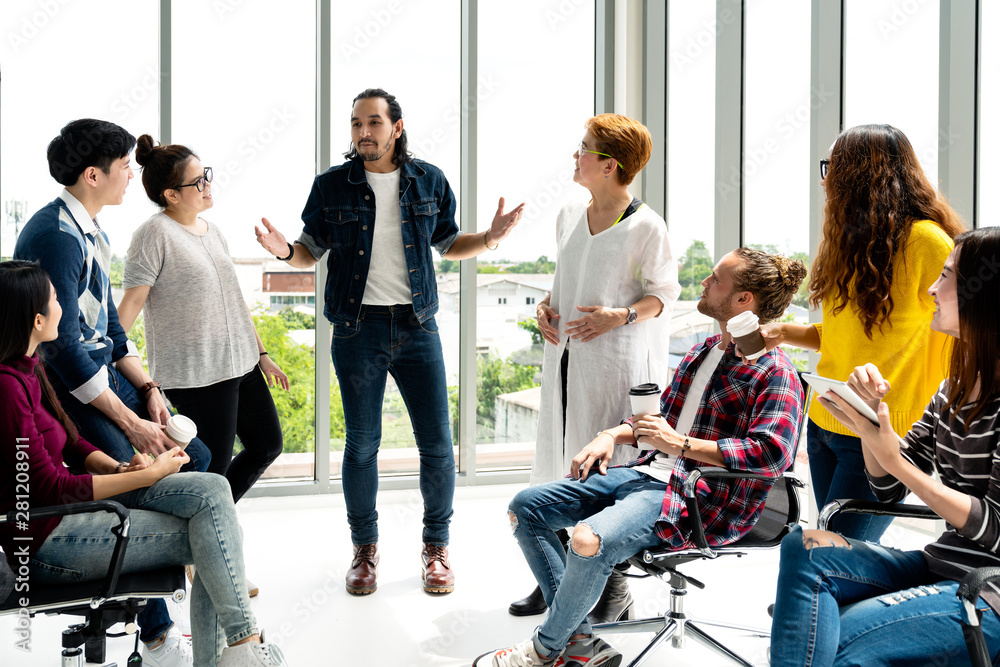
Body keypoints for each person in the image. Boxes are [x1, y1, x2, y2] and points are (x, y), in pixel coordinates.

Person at [475, 247, 806, 667]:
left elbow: (771, 454)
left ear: (744, 300)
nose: (704, 281)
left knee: (586, 539)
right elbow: (660, 421)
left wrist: (678, 446)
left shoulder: (776, 372)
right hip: (650, 474)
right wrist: (612, 434)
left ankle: (544, 650)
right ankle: (578, 641)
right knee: (526, 508)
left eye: (717, 279)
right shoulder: (703, 352)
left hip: (696, 495)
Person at [253, 88, 524, 596]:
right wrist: (283, 250)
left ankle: (436, 548)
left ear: (397, 127)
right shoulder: (331, 186)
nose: (362, 133)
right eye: (356, 124)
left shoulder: (429, 180)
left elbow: (448, 243)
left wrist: (489, 238)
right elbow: (309, 250)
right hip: (357, 329)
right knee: (361, 446)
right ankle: (364, 549)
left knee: (438, 446)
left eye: (373, 123)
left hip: (418, 325)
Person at [0, 260, 289, 667]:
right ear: (35, 319)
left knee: (215, 491)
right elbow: (49, 489)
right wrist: (151, 474)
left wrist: (121, 469)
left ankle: (239, 648)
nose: (63, 308)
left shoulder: (31, 368)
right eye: (55, 300)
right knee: (214, 535)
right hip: (48, 543)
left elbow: (75, 445)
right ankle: (239, 646)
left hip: (65, 517)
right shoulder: (6, 388)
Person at [13, 119, 212, 665]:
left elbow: (111, 332)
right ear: (93, 174)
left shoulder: (91, 230)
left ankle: (180, 578)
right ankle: (155, 630)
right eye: (124, 165)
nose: (132, 173)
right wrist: (129, 421)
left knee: (196, 456)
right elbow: (64, 351)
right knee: (138, 475)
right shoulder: (56, 237)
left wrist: (146, 388)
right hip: (74, 390)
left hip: (108, 374)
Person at [769, 226, 1000, 665]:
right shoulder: (953, 388)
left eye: (947, 276)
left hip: (987, 588)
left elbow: (995, 527)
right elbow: (889, 489)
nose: (932, 288)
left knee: (837, 644)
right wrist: (870, 420)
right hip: (939, 565)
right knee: (803, 546)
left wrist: (893, 458)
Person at [756, 124, 964, 542]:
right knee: (829, 547)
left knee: (833, 554)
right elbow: (847, 336)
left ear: (859, 174)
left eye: (832, 166)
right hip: (825, 422)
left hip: (883, 431)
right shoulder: (853, 243)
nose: (823, 177)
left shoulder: (927, 242)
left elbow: (966, 327)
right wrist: (783, 332)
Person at [510, 113, 680, 621]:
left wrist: (619, 316)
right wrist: (545, 305)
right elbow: (567, 276)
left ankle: (609, 587)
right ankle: (554, 576)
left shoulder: (647, 226)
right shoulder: (568, 213)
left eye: (584, 148)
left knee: (601, 470)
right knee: (558, 458)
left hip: (615, 365)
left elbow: (664, 295)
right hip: (564, 359)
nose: (575, 155)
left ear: (609, 164)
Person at [117, 134, 287, 504]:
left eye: (205, 175)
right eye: (197, 182)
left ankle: (210, 521)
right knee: (213, 469)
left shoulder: (214, 232)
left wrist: (262, 354)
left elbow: (234, 300)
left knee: (268, 445)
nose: (207, 185)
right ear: (171, 194)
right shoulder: (153, 234)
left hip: (242, 364)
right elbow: (129, 306)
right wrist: (113, 362)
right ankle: (194, 539)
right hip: (198, 375)